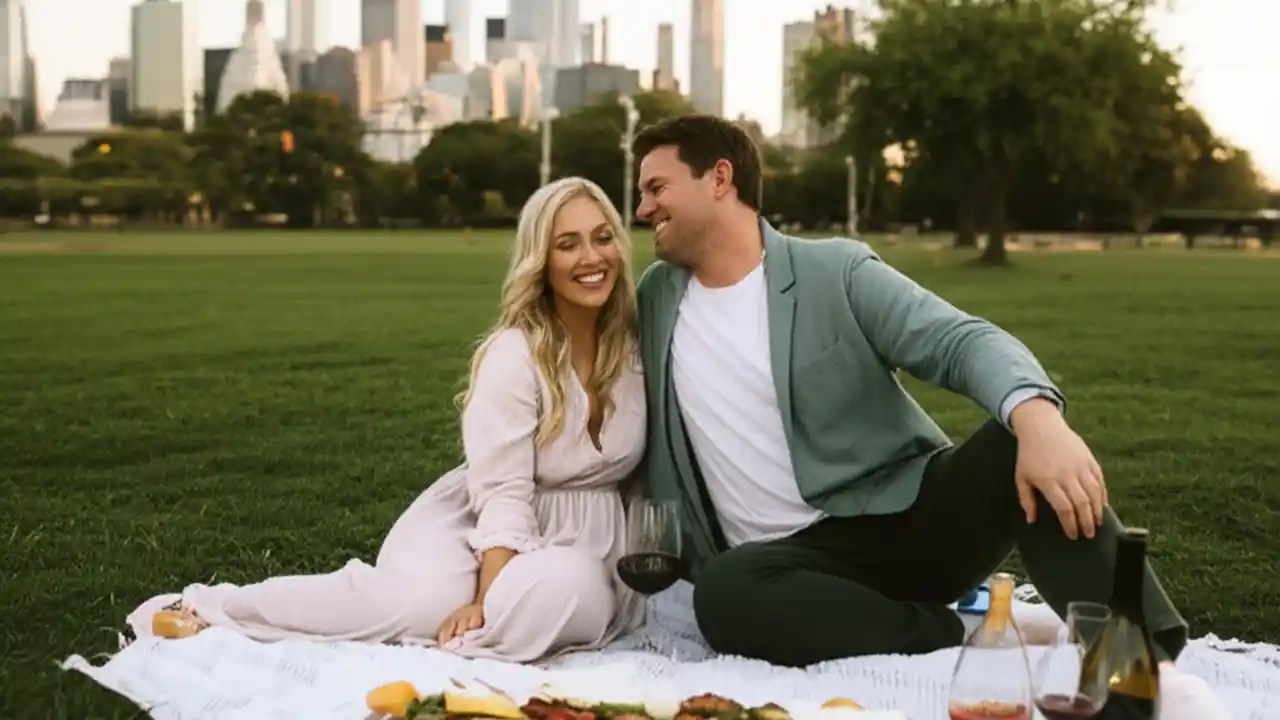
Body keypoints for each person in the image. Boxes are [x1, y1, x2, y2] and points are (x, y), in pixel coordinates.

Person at [629, 115, 1227, 716]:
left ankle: (1144, 663)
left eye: (657, 187)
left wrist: (1040, 419)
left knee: (1015, 443)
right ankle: (972, 631)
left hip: (901, 525)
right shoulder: (656, 298)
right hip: (781, 573)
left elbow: (959, 342)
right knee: (725, 596)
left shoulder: (834, 271)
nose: (643, 207)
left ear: (720, 178)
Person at [129, 177, 647, 663]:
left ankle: (474, 644)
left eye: (602, 238)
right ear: (542, 261)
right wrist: (486, 597)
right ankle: (215, 609)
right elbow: (504, 493)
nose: (591, 257)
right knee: (413, 605)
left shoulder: (635, 348)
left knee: (555, 590)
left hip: (585, 548)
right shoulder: (515, 354)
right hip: (485, 527)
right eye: (568, 244)